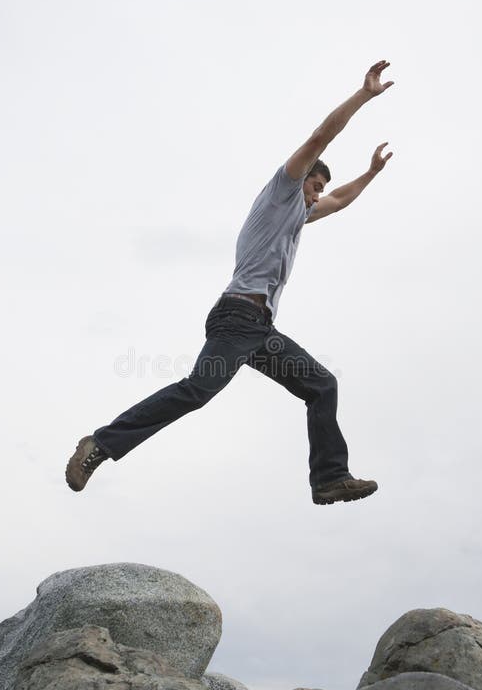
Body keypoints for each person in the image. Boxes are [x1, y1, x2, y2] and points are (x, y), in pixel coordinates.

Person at [66, 60, 394, 504]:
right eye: (313, 185)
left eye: (318, 189)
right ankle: (100, 445)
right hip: (237, 317)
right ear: (300, 178)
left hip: (260, 331)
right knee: (197, 391)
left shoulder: (300, 212)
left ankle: (329, 478)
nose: (316, 195)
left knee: (322, 385)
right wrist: (363, 96)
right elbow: (320, 138)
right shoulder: (282, 190)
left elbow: (339, 200)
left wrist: (371, 174)